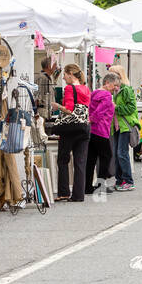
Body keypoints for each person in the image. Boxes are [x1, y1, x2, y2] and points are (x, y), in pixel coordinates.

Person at [53, 63, 91, 202]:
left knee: (63, 160)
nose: (63, 78)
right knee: (80, 162)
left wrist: (57, 106)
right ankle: (78, 195)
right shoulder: (86, 89)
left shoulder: (69, 89)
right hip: (84, 128)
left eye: (64, 75)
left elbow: (69, 109)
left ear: (70, 74)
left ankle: (63, 192)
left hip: (70, 129)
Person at [86, 74, 118, 195]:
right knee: (107, 156)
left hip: (92, 130)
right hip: (101, 129)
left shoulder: (94, 93)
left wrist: (90, 120)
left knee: (91, 158)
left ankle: (87, 186)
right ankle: (100, 185)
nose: (115, 88)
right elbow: (100, 110)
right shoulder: (106, 95)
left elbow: (92, 108)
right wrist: (92, 119)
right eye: (114, 85)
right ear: (107, 83)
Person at [110, 65, 137, 192]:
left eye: (112, 75)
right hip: (116, 126)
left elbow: (131, 108)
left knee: (122, 153)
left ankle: (128, 180)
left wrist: (116, 107)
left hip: (125, 125)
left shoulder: (126, 90)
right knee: (116, 154)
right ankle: (119, 180)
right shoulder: (114, 90)